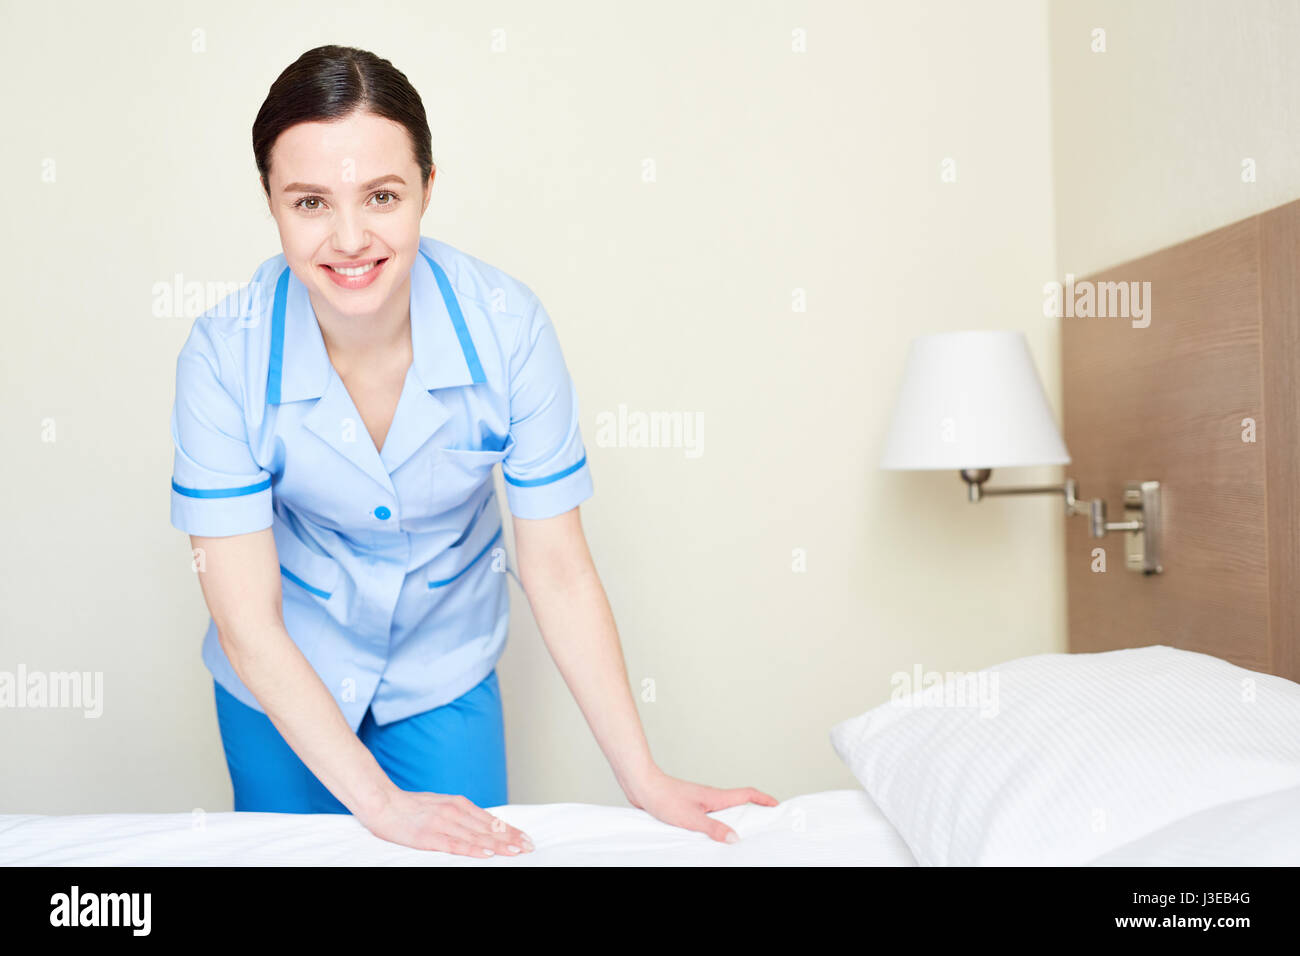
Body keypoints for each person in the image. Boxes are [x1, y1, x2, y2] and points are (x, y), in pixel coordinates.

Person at [169, 44, 777, 859]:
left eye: (381, 195)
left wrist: (644, 777)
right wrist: (383, 807)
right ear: (272, 204)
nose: (350, 239)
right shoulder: (221, 356)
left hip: (445, 669)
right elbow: (247, 622)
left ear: (428, 187)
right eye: (310, 202)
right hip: (282, 683)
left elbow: (557, 570)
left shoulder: (509, 328)